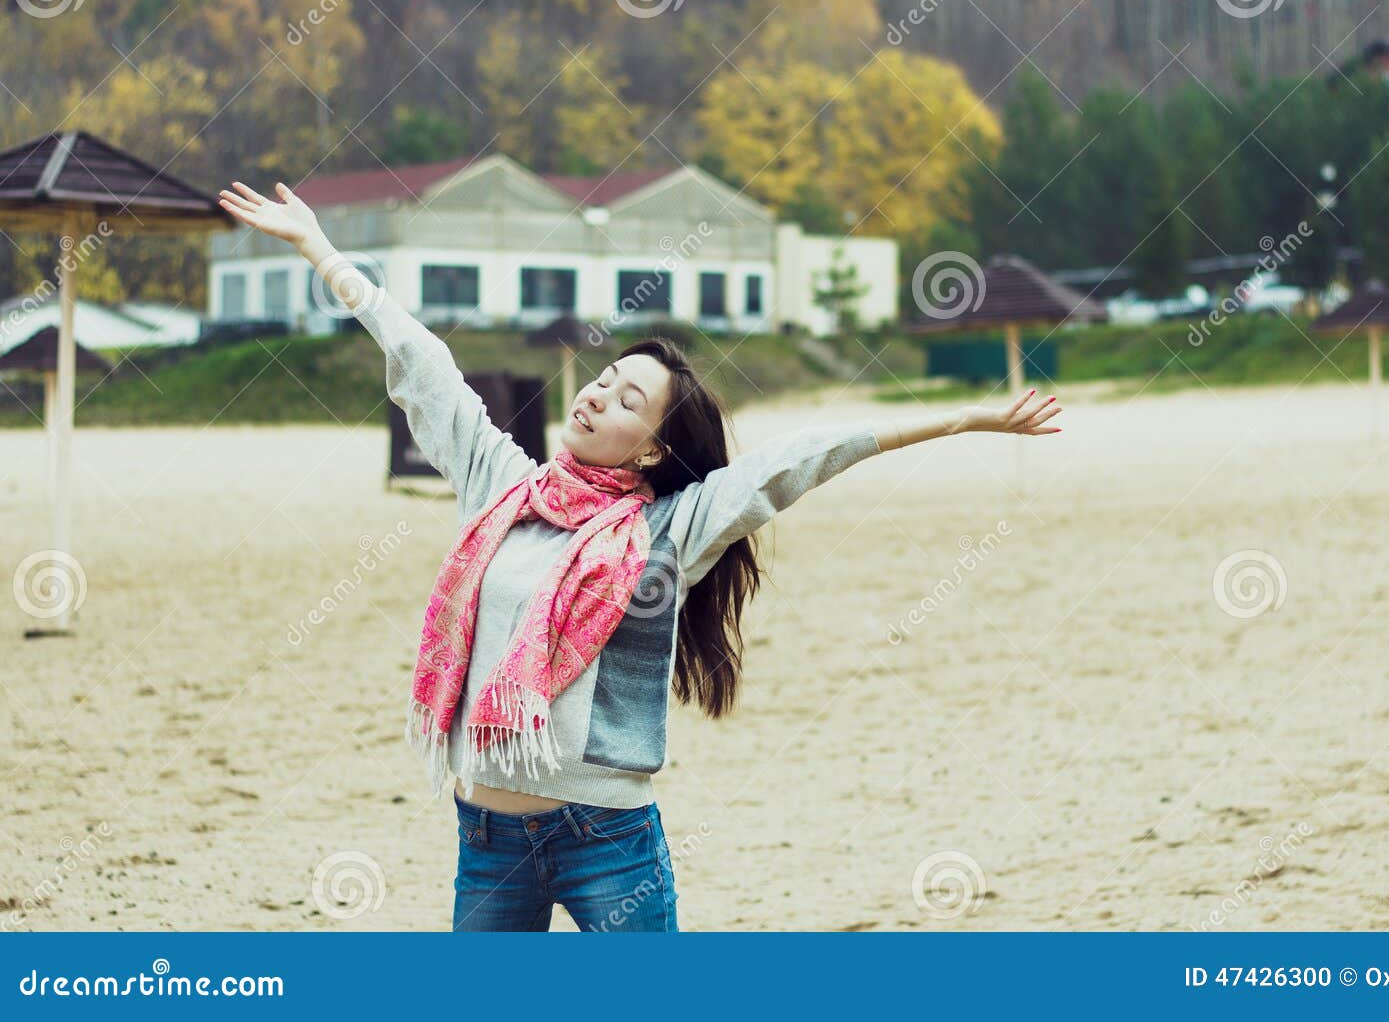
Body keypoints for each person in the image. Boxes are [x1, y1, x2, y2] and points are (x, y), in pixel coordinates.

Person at [217, 179, 1063, 932]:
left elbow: (794, 461)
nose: (597, 395)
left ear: (654, 449)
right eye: (603, 379)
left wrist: (962, 420)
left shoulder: (671, 531)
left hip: (607, 839)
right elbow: (424, 366)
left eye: (628, 400)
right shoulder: (503, 489)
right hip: (487, 838)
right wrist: (320, 249)